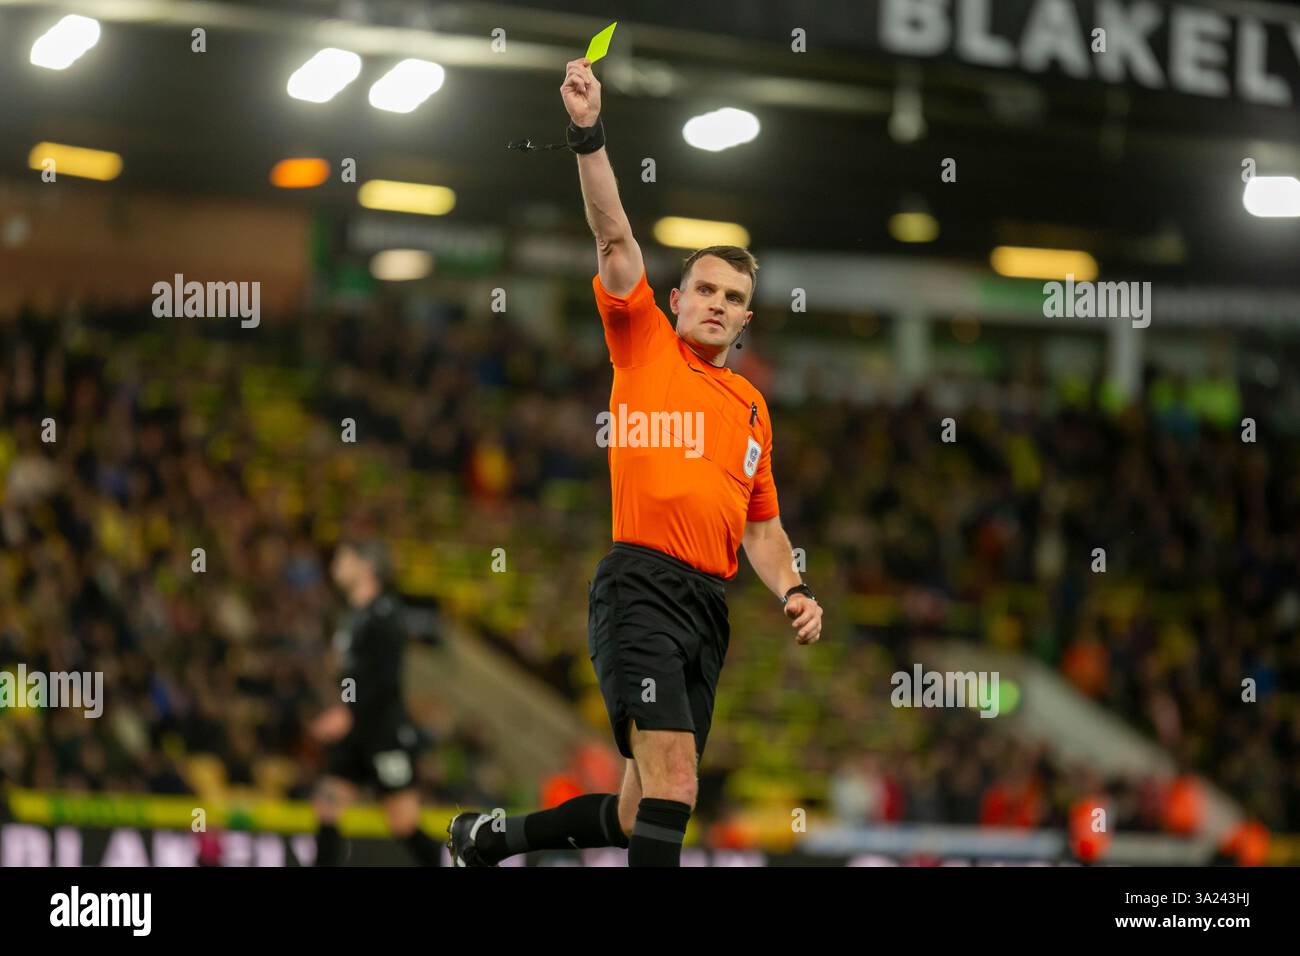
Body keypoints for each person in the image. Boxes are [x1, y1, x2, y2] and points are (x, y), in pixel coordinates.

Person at [448, 56, 822, 867]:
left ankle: (490, 839)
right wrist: (589, 132)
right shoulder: (642, 340)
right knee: (677, 784)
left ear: (745, 319)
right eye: (705, 290)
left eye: (732, 298)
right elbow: (613, 231)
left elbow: (763, 530)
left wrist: (793, 588)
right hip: (640, 587)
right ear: (678, 298)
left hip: (708, 609)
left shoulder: (753, 409)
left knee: (631, 811)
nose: (716, 304)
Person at [311, 539, 441, 866]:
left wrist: (346, 711)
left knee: (403, 822)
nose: (336, 564)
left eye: (344, 556)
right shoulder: (351, 616)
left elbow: (384, 680)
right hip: (355, 734)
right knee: (327, 807)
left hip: (382, 733)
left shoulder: (384, 615)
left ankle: (453, 862)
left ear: (366, 567)